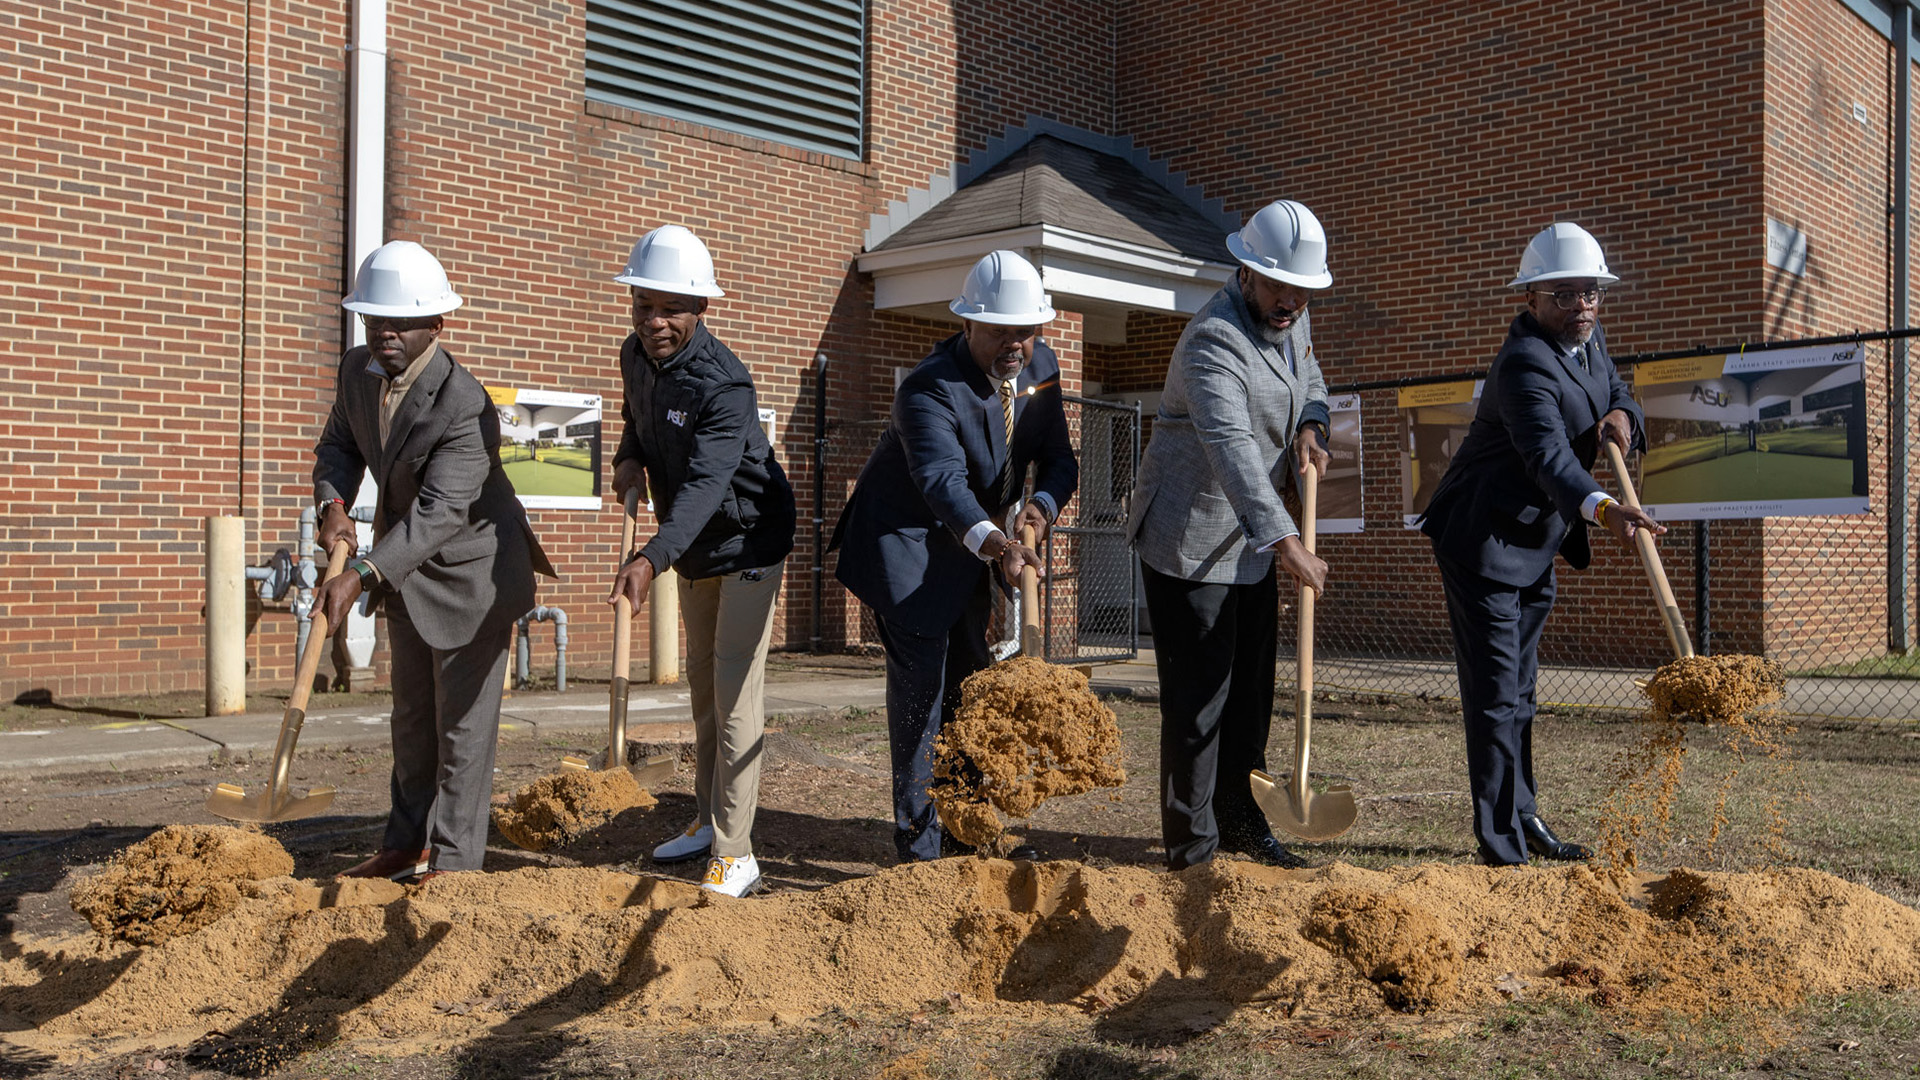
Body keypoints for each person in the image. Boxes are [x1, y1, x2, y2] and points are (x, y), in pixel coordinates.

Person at [1419, 222, 1665, 866]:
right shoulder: (1524, 362)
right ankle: (1501, 846)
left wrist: (1624, 416)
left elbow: (1614, 389)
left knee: (1521, 690)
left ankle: (1522, 817)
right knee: (1497, 694)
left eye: (1591, 293)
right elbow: (1548, 457)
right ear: (1530, 298)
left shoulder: (1587, 337)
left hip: (1534, 539)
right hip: (1483, 539)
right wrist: (1605, 508)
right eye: (1564, 295)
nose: (1582, 305)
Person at [313, 240, 554, 882]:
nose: (385, 333)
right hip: (407, 570)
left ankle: (454, 867)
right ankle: (404, 846)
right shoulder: (356, 371)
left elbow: (440, 512)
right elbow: (339, 445)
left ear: (436, 324)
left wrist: (362, 573)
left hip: (474, 575)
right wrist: (333, 504)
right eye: (375, 319)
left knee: (462, 731)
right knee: (413, 720)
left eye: (402, 321)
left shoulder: (463, 403)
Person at [832, 249, 1078, 863]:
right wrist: (999, 544)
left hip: (970, 547)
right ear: (967, 322)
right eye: (999, 330)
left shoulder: (1041, 367)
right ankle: (920, 852)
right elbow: (942, 482)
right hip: (906, 546)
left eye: (1025, 330)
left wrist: (1040, 508)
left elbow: (1058, 458)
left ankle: (966, 834)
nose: (1015, 345)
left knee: (970, 687)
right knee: (924, 696)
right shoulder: (928, 389)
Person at [1124, 199, 1334, 872]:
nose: (1290, 302)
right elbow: (1233, 450)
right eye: (1278, 286)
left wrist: (1312, 424)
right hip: (1189, 538)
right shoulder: (1212, 340)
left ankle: (1245, 827)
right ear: (1245, 272)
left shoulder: (1294, 318)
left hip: (1249, 542)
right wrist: (1288, 543)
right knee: (1199, 702)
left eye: (1301, 290)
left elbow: (1309, 375)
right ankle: (1193, 850)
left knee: (1249, 696)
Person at [607, 225, 796, 898]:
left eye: (671, 309)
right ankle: (708, 821)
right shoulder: (634, 355)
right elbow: (637, 418)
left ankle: (736, 853)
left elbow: (705, 486)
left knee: (735, 691)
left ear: (700, 309)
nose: (654, 321)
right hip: (691, 548)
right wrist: (628, 456)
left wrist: (650, 557)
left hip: (749, 541)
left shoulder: (726, 385)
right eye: (643, 305)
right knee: (702, 688)